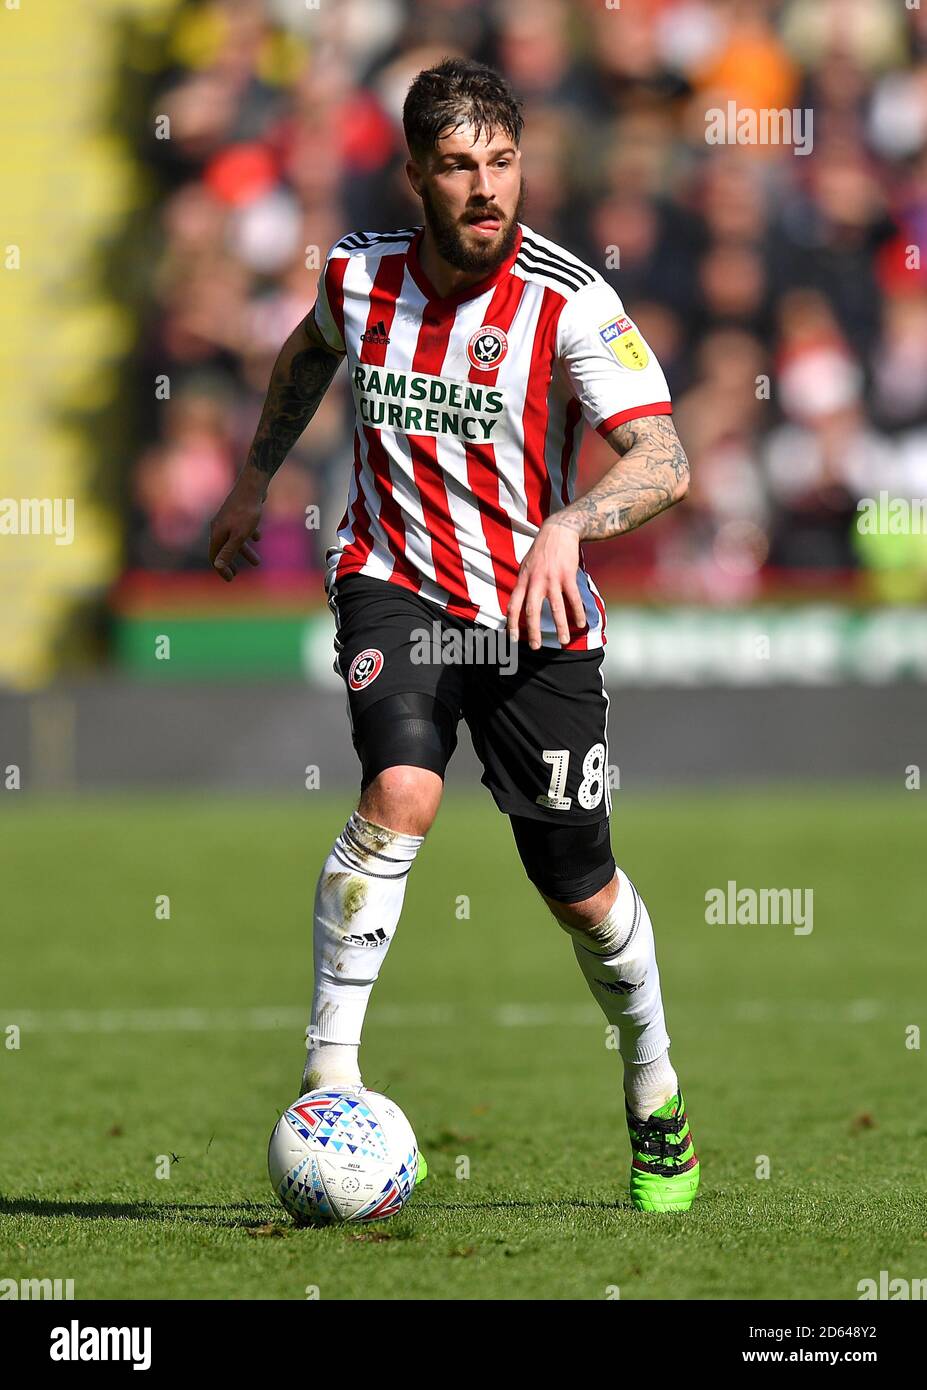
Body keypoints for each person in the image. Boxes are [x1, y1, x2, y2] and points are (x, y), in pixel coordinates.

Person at [209, 57, 697, 1212]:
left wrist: (573, 521)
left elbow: (668, 457)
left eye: (503, 162)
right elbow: (306, 355)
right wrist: (252, 480)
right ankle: (330, 1076)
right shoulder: (359, 278)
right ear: (415, 175)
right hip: (396, 583)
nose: (487, 189)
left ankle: (654, 1081)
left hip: (536, 621)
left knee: (580, 890)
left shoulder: (570, 299)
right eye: (460, 166)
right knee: (403, 791)